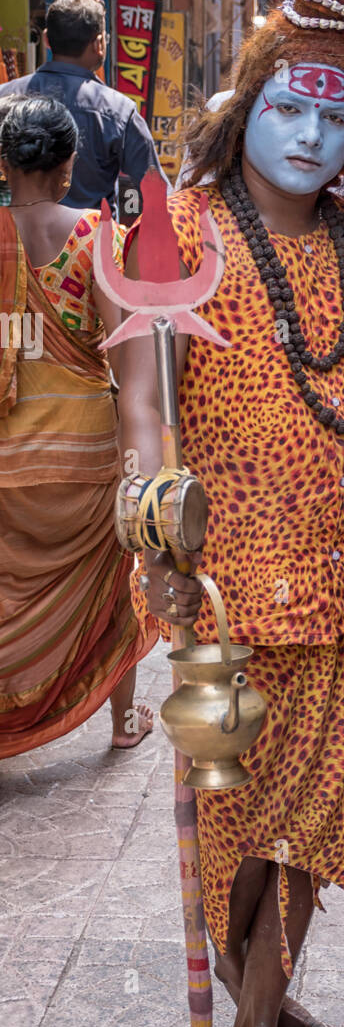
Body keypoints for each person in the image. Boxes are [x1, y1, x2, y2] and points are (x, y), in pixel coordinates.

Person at [119, 0, 344, 1027]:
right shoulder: (180, 234)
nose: (309, 134)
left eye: (334, 113)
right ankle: (258, 996)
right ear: (246, 104)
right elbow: (143, 405)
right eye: (287, 107)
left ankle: (254, 1021)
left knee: (317, 810)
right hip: (224, 584)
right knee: (246, 815)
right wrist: (154, 512)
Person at [0, 96, 156, 758]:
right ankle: (121, 724)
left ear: (5, 166)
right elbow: (132, 367)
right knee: (115, 590)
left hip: (8, 453)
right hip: (88, 452)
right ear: (68, 168)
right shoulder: (99, 241)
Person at [0, 0, 165, 214]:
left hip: (15, 245)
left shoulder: (5, 97)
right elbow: (157, 196)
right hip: (91, 244)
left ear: (47, 40)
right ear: (98, 44)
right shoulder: (118, 111)